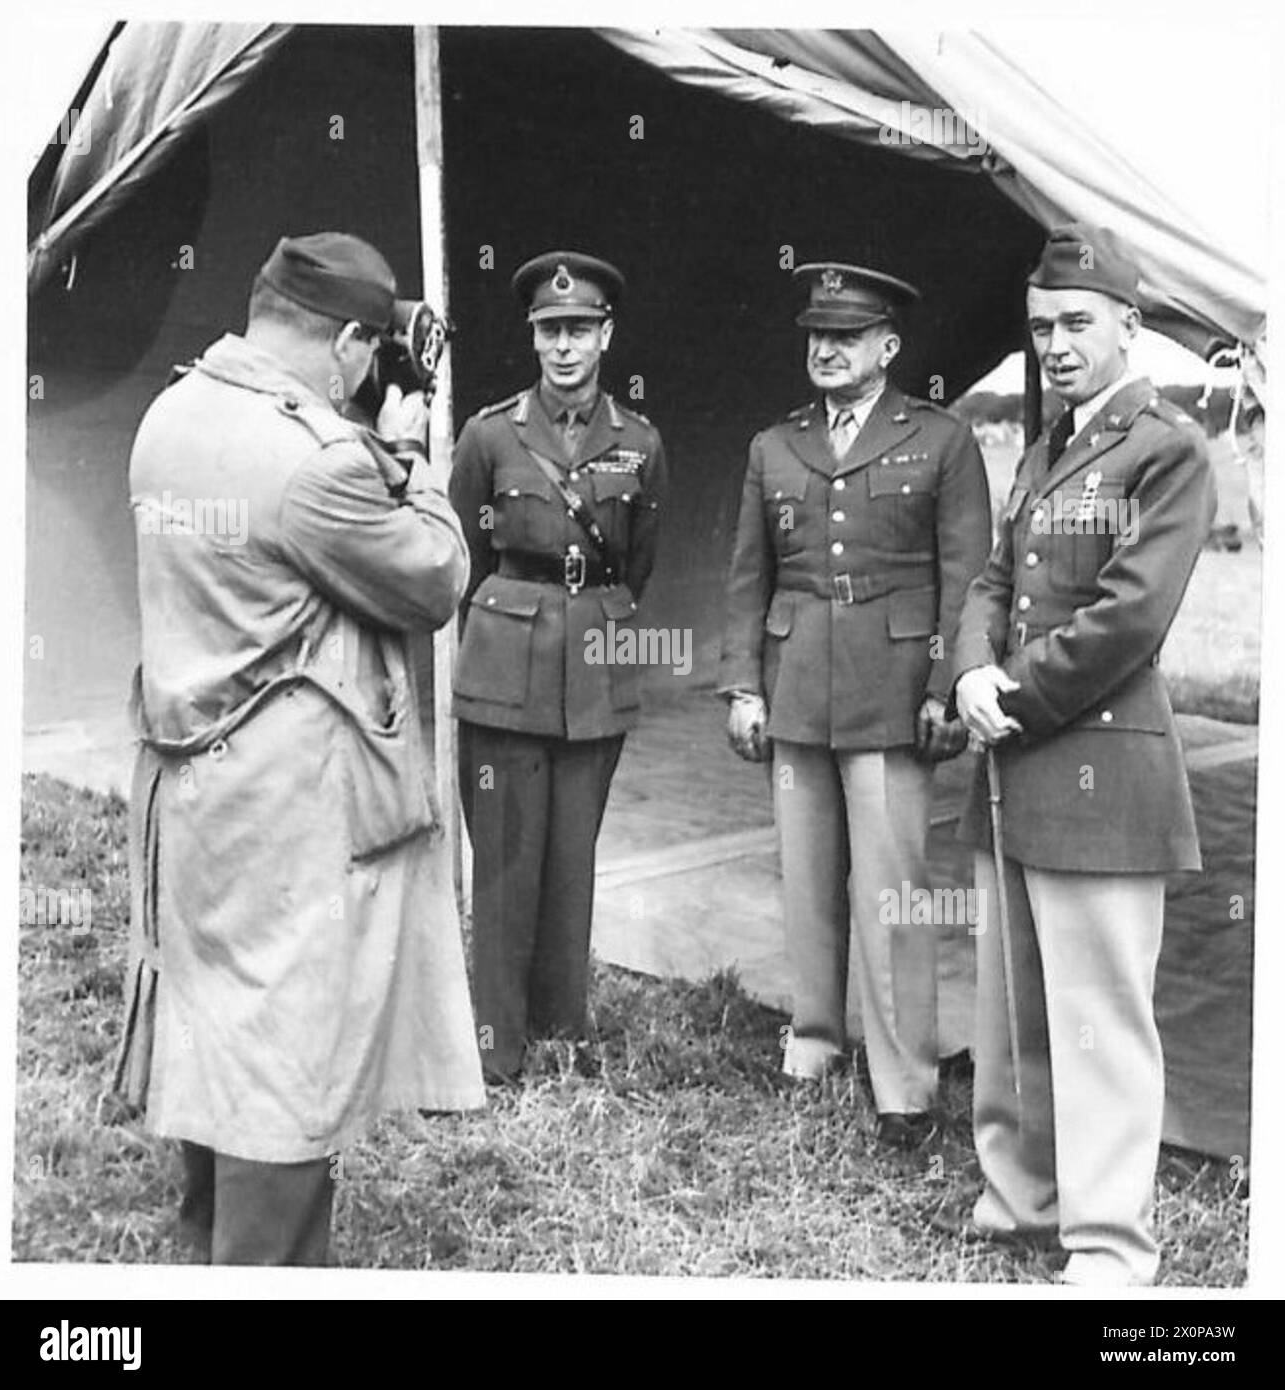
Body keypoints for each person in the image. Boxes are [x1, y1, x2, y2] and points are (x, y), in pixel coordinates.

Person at [113, 232, 485, 1265]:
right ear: (352, 344)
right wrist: (403, 454)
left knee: (215, 1027)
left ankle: (204, 1233)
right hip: (289, 804)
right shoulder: (320, 465)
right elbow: (436, 578)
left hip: (190, 785)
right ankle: (263, 1266)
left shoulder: (171, 414)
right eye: (371, 355)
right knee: (285, 1059)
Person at [949, 223, 1216, 1285]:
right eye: (1040, 328)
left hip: (1097, 766)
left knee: (1098, 1019)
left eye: (1075, 324)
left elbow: (1127, 618)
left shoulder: (1166, 448)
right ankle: (1021, 1195)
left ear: (1128, 328)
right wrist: (967, 668)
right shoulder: (1047, 445)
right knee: (1010, 1004)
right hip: (1012, 763)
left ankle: (1108, 1240)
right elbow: (989, 579)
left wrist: (1005, 692)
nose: (1054, 345)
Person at [718, 263, 991, 1149]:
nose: (825, 351)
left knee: (893, 892)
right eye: (815, 336)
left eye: (845, 336)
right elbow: (747, 577)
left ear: (888, 345)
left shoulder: (941, 440)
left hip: (891, 692)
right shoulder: (775, 444)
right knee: (806, 884)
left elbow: (968, 580)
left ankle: (903, 1082)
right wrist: (745, 685)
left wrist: (948, 686)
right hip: (797, 686)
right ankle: (812, 1043)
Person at [449, 250, 667, 1084]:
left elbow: (637, 562)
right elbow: (462, 555)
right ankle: (495, 1043)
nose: (564, 347)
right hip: (506, 665)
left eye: (579, 330)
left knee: (572, 855)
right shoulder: (490, 435)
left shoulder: (639, 442)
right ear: (532, 337)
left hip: (595, 665)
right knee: (504, 857)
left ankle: (561, 1027)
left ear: (606, 334)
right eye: (550, 331)